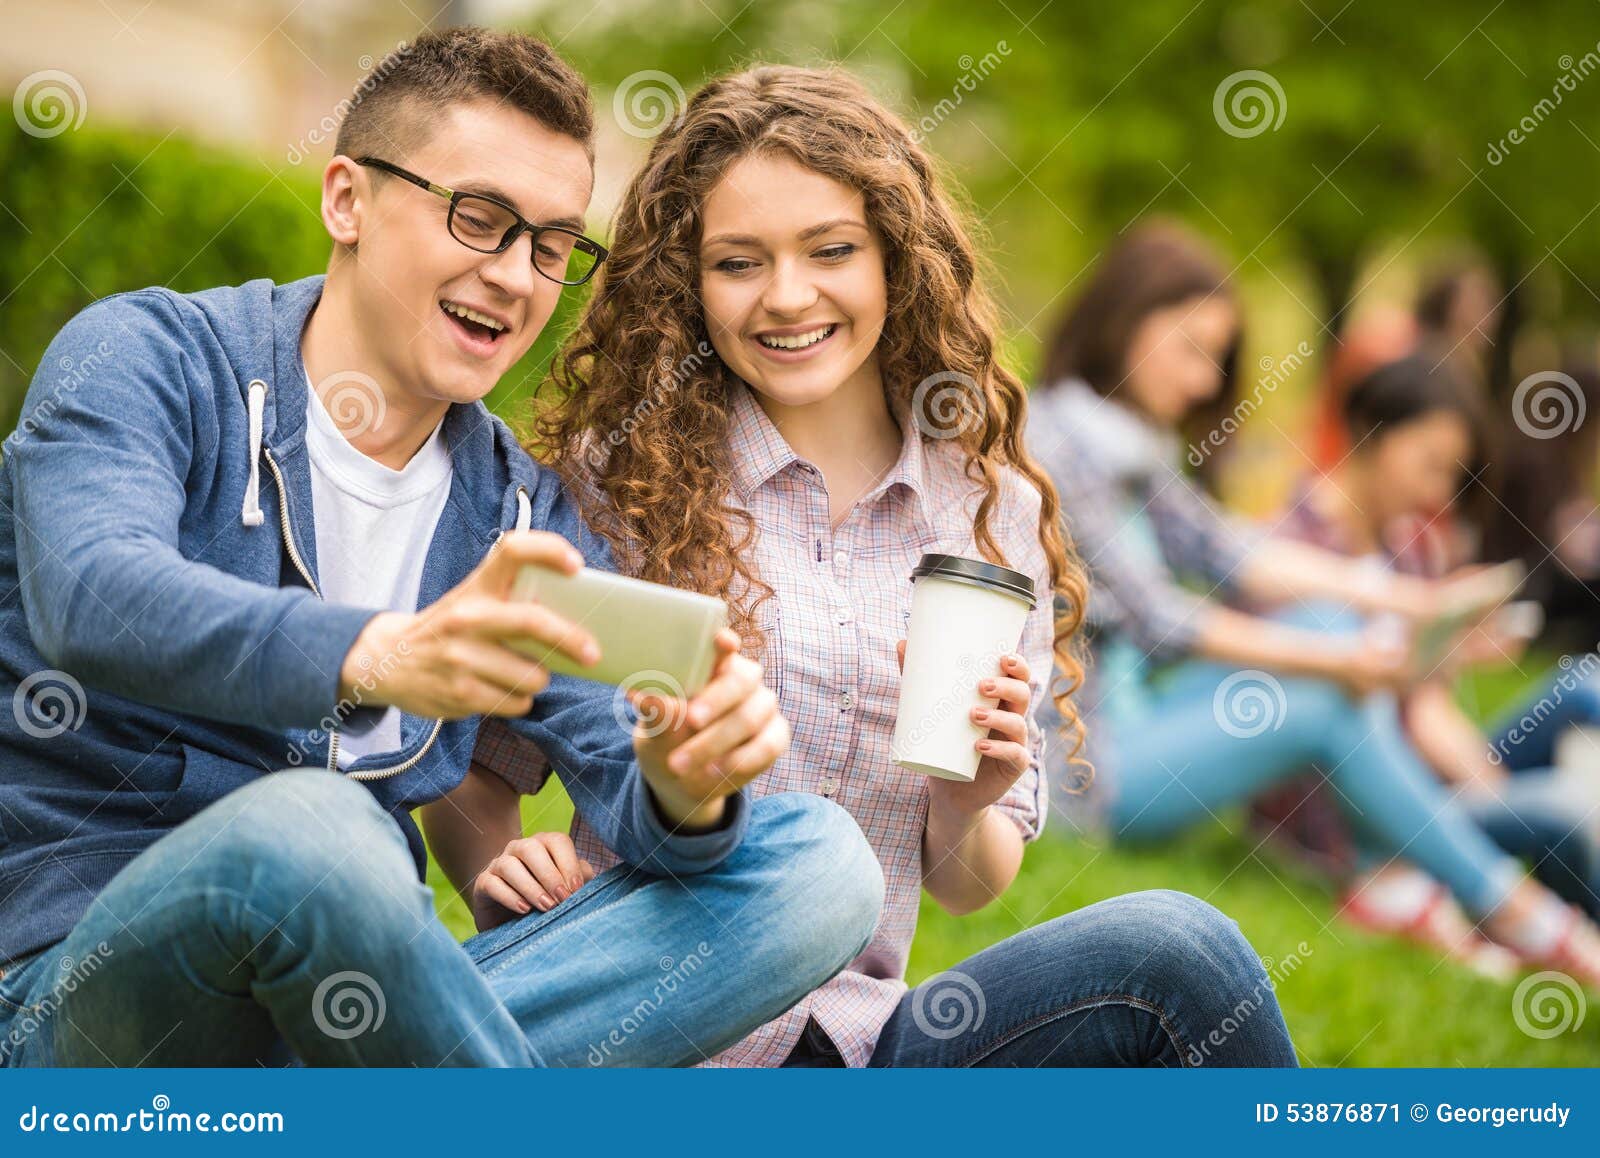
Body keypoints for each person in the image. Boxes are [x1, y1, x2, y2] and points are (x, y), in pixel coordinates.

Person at [0, 28, 883, 1068]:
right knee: (317, 828)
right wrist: (379, 653)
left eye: (550, 246)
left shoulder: (520, 512)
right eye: (479, 219)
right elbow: (94, 595)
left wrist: (686, 784)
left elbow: (622, 756)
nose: (514, 276)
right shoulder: (150, 360)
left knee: (819, 865)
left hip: (351, 1020)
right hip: (82, 1003)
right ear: (347, 200)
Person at [464, 66, 1299, 1068]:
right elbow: (485, 765)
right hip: (661, 1044)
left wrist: (968, 798)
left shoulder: (990, 509)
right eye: (737, 262)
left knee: (1181, 950)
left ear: (895, 257)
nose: (787, 296)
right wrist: (504, 872)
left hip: (862, 1048)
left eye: (832, 250)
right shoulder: (622, 478)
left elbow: (968, 885)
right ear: (688, 281)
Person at [1027, 222, 1600, 986]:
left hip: (1140, 720)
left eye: (1215, 357)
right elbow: (1161, 619)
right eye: (1191, 348)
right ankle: (1521, 914)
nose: (1204, 380)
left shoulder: (1131, 449)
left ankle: (1399, 882)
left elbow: (1231, 551)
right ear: (1125, 318)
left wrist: (1410, 598)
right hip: (1085, 771)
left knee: (1331, 626)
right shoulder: (1056, 445)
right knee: (1328, 685)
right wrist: (1341, 661)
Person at [1254, 354, 1600, 956]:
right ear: (1372, 435)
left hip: (1430, 765)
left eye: (1451, 474)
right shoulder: (1287, 547)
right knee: (1563, 813)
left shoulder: (1409, 546)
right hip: (1359, 807)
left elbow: (1426, 700)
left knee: (1583, 685)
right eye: (1430, 465)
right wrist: (1487, 786)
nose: (1439, 491)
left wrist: (1457, 653)